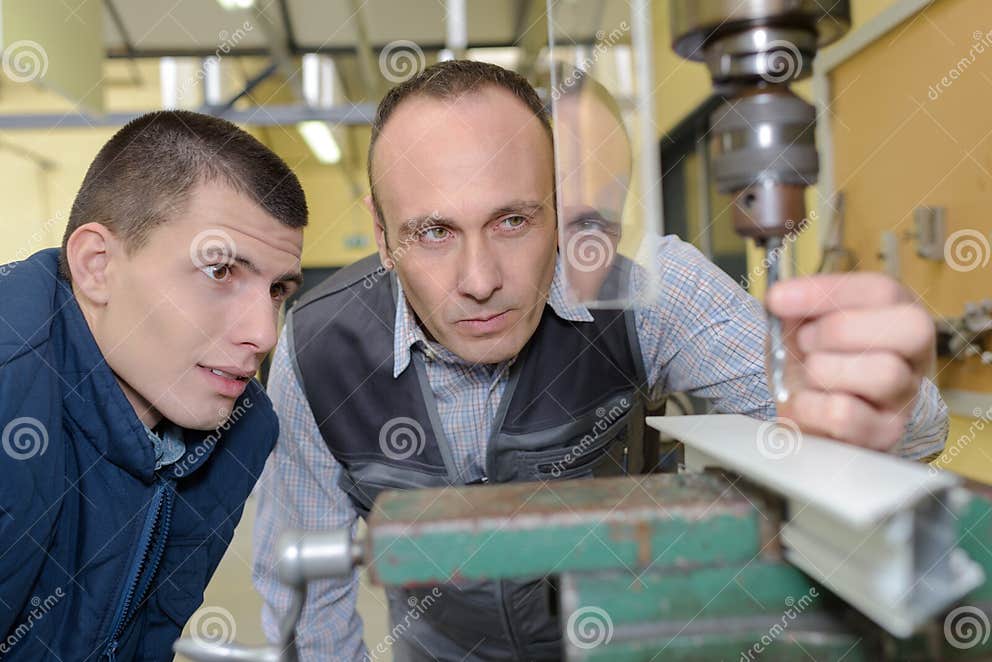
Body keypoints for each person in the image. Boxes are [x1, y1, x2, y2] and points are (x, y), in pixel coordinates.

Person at [252, 60, 947, 660]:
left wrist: (878, 403)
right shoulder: (317, 353)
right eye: (433, 232)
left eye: (513, 221)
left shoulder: (644, 287)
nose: (479, 277)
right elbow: (308, 597)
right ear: (380, 234)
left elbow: (908, 438)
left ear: (559, 208)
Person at [0, 110, 307, 660]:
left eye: (278, 289)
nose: (263, 335)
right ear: (97, 266)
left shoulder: (241, 426)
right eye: (220, 271)